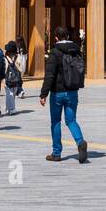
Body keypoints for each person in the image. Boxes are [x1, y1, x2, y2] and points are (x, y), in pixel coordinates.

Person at [39, 26, 87, 161]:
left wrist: (43, 94)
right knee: (71, 120)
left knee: (56, 122)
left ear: (56, 37)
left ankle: (56, 153)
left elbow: (49, 75)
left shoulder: (55, 52)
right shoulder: (76, 50)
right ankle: (80, 141)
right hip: (72, 91)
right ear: (68, 37)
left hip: (58, 93)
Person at [3, 40, 24, 116]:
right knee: (13, 94)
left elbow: (4, 69)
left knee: (9, 94)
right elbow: (22, 68)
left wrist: (3, 79)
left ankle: (11, 109)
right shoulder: (18, 57)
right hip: (17, 79)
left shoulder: (5, 58)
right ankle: (9, 108)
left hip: (8, 79)